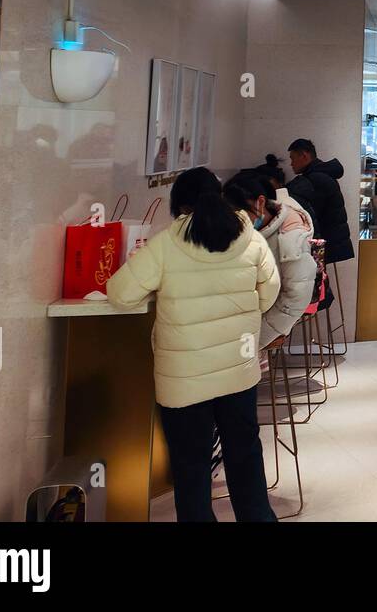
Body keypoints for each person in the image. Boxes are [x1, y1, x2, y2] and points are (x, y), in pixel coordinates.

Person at [107, 167, 279, 522]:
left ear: (178, 205)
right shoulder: (249, 235)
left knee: (191, 466)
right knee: (244, 453)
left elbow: (120, 294)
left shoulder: (167, 243)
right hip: (238, 372)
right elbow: (270, 291)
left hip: (184, 382)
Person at [224, 173, 317, 351]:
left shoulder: (291, 237)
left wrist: (255, 340)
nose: (237, 220)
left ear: (260, 202)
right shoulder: (255, 228)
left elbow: (295, 299)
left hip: (262, 325)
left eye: (241, 212)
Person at [286, 138, 354, 266]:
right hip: (330, 240)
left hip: (321, 242)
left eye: (293, 158)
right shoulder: (322, 175)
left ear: (304, 156)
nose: (291, 163)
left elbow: (312, 214)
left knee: (318, 282)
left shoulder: (315, 179)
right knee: (319, 280)